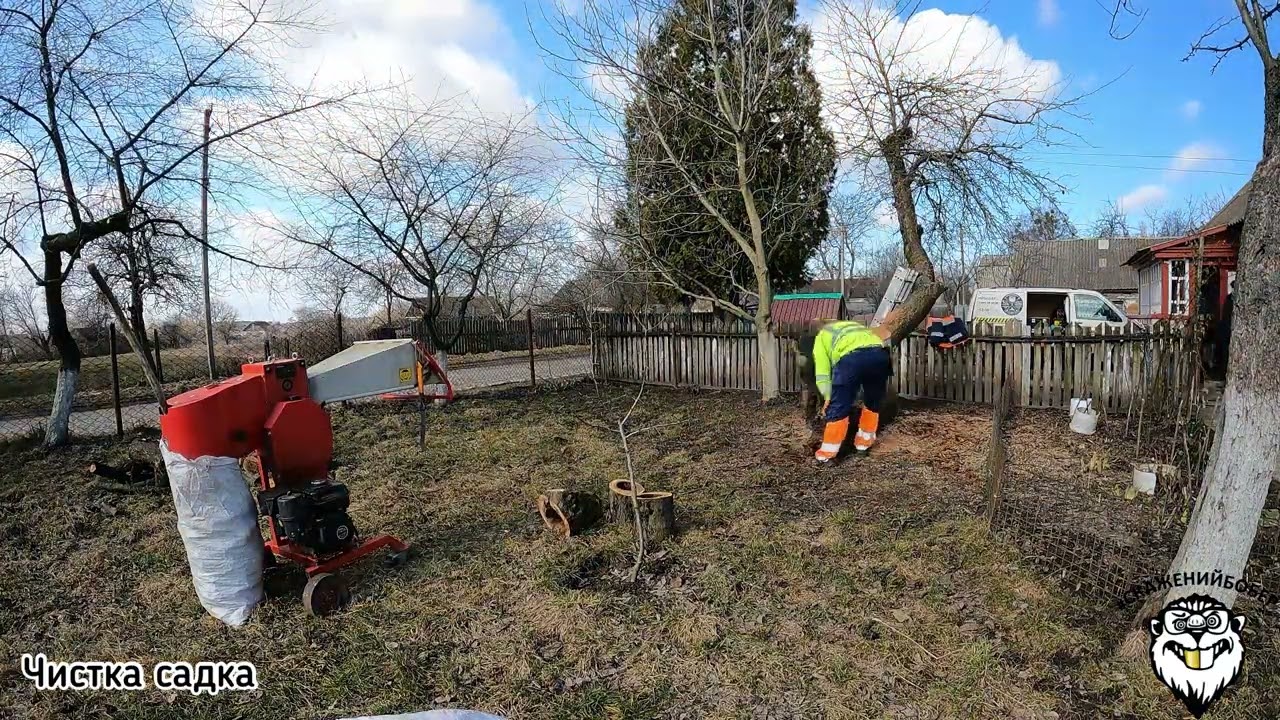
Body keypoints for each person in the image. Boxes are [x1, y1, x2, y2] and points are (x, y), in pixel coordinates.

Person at [810, 317, 893, 462]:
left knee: (839, 404)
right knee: (872, 402)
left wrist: (828, 396)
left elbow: (822, 373)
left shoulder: (822, 335)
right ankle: (864, 445)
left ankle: (827, 455)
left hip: (851, 359)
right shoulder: (854, 326)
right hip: (881, 356)